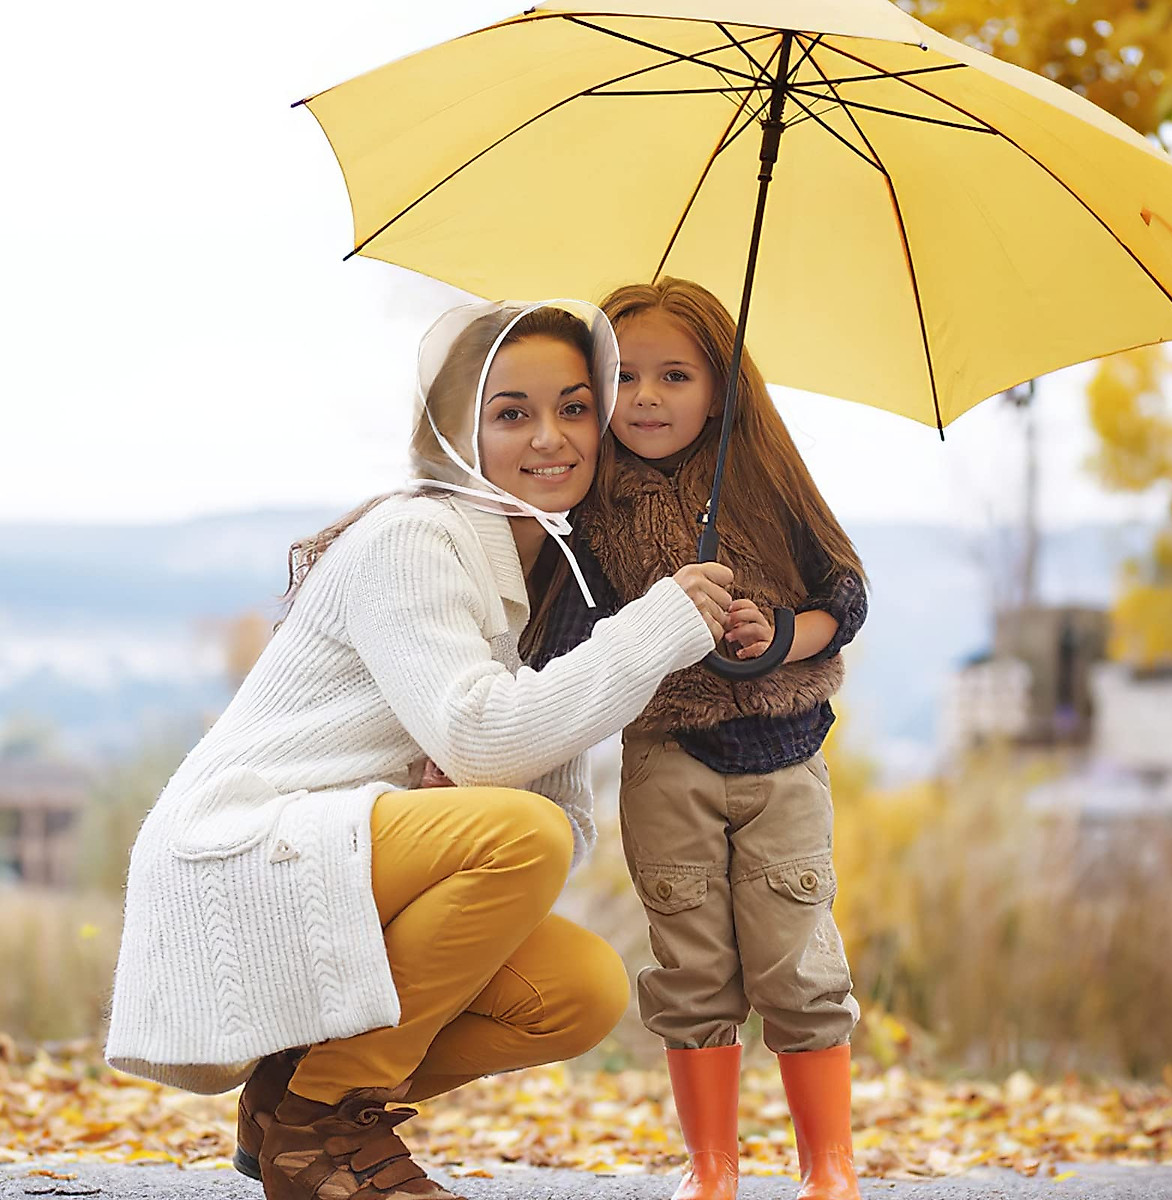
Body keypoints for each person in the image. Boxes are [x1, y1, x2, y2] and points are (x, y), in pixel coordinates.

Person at [105, 299, 736, 1200]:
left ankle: (288, 1099)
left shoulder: (538, 574)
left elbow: (550, 816)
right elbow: (487, 751)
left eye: (574, 406)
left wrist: (479, 779)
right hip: (246, 849)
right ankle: (321, 1129)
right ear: (453, 429)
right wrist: (656, 629)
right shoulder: (416, 539)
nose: (552, 437)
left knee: (580, 989)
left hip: (343, 855)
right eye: (512, 412)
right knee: (518, 836)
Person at [534, 279, 869, 1200]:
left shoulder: (765, 482)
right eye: (625, 377)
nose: (646, 398)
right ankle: (712, 1167)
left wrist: (776, 636)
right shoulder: (594, 505)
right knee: (691, 964)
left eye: (674, 376)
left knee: (796, 960)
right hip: (668, 758)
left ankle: (828, 1166)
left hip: (785, 758)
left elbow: (844, 600)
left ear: (720, 389)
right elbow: (567, 633)